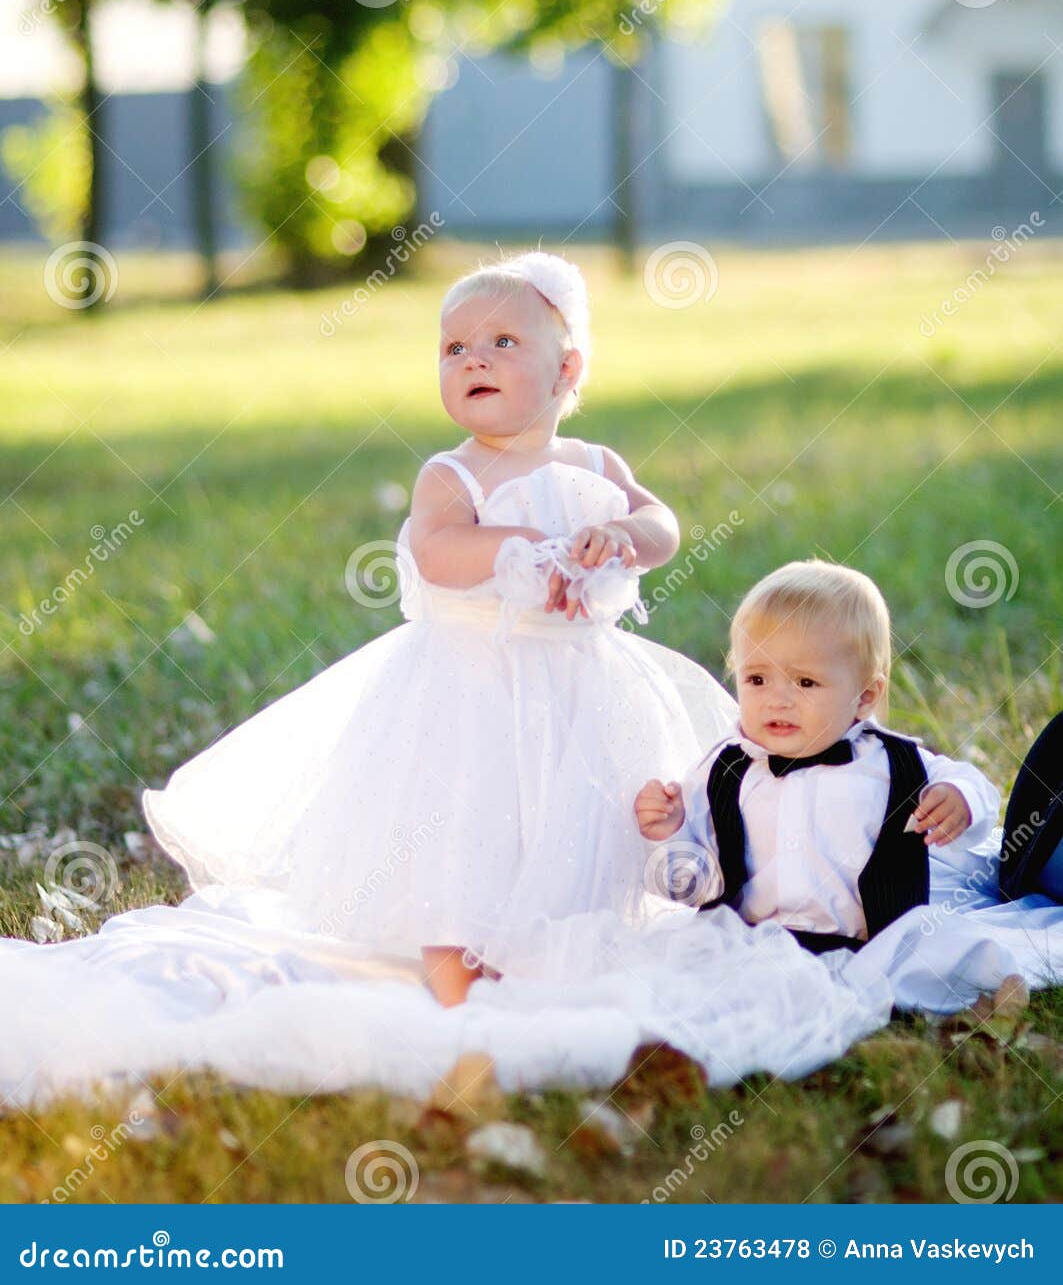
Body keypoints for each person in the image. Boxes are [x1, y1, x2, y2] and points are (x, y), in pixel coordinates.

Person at [142, 250, 736, 1007]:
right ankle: (454, 968)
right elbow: (437, 551)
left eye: (501, 344)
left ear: (566, 370)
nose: (472, 359)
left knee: (576, 816)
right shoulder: (451, 475)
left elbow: (663, 523)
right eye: (453, 348)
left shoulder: (595, 461)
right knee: (462, 826)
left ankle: (568, 939)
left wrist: (622, 535)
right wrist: (516, 550)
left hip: (581, 680)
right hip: (470, 685)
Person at [635, 559, 999, 954]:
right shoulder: (722, 773)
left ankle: (986, 996)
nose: (778, 699)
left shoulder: (895, 763)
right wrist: (672, 835)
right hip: (749, 951)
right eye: (757, 679)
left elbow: (977, 789)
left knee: (953, 955)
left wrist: (960, 796)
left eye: (805, 682)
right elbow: (694, 887)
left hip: (875, 950)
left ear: (865, 696)